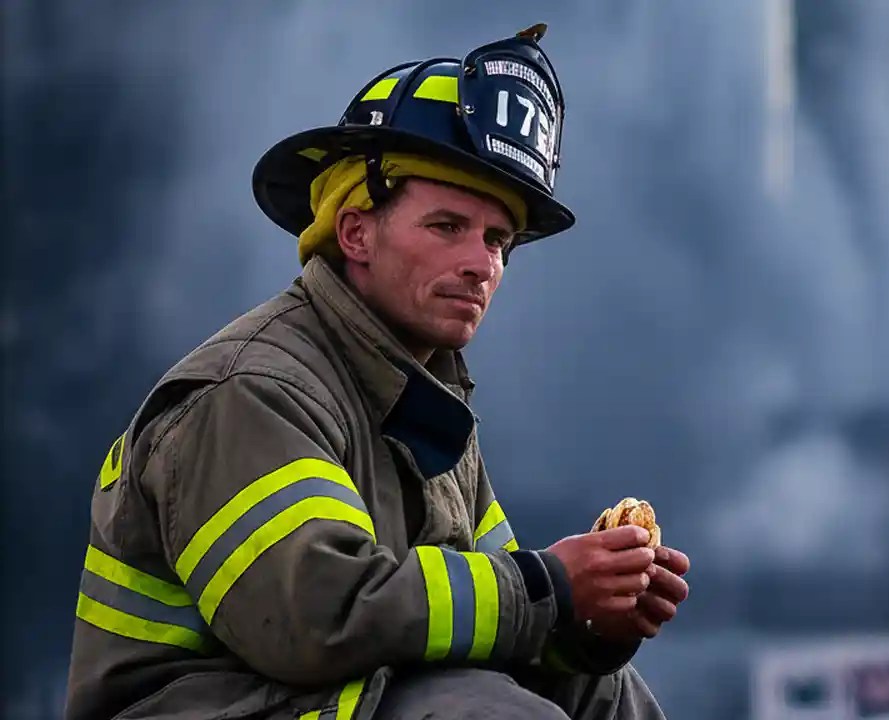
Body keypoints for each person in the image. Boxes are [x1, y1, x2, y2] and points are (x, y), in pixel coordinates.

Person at [64, 24, 690, 720]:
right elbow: (320, 618)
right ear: (356, 232)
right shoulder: (251, 391)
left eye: (497, 240)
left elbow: (494, 612)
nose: (481, 265)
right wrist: (552, 585)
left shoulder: (428, 406)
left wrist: (588, 629)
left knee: (614, 699)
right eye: (448, 226)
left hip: (339, 696)